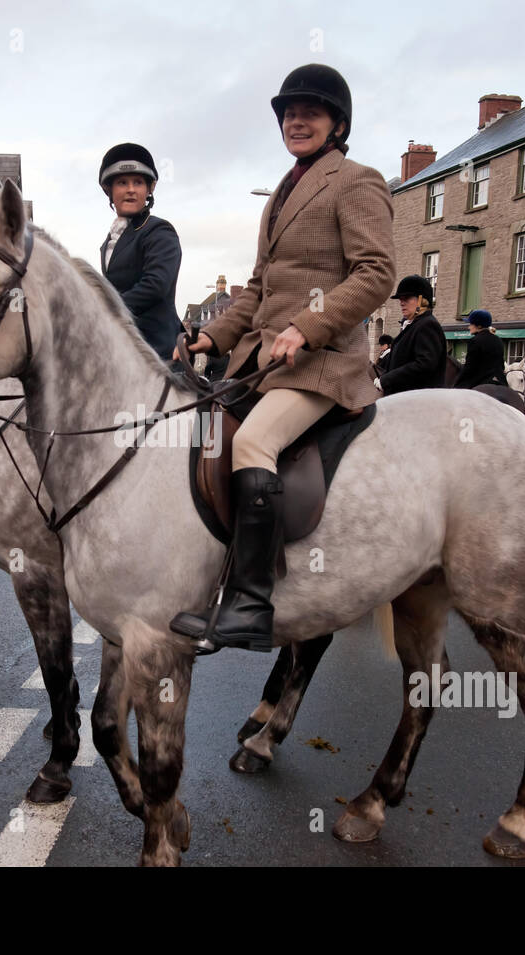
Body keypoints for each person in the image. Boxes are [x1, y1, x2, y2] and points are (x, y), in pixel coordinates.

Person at [174, 63, 393, 653]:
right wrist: (210, 338)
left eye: (310, 113)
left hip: (322, 363)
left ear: (337, 124)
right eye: (289, 113)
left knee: (251, 445)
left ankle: (250, 604)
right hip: (261, 360)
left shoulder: (357, 181)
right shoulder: (282, 192)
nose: (297, 121)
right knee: (198, 435)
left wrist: (308, 326)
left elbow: (376, 273)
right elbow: (256, 287)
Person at [98, 143, 183, 363]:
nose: (130, 189)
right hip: (122, 352)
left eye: (138, 182)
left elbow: (155, 285)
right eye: (122, 183)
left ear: (148, 190)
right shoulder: (109, 242)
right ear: (110, 190)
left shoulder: (159, 231)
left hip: (158, 354)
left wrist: (103, 309)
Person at [376, 275, 446, 395]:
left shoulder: (427, 325)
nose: (401, 303)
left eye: (407, 298)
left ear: (421, 300)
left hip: (417, 402)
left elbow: (425, 364)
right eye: (400, 299)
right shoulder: (413, 325)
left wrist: (387, 380)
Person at [453, 309, 507, 388]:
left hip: (481, 382)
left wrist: (457, 384)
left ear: (479, 326)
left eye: (471, 324)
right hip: (500, 381)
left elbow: (469, 368)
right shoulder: (498, 339)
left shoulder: (474, 341)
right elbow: (501, 365)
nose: (469, 327)